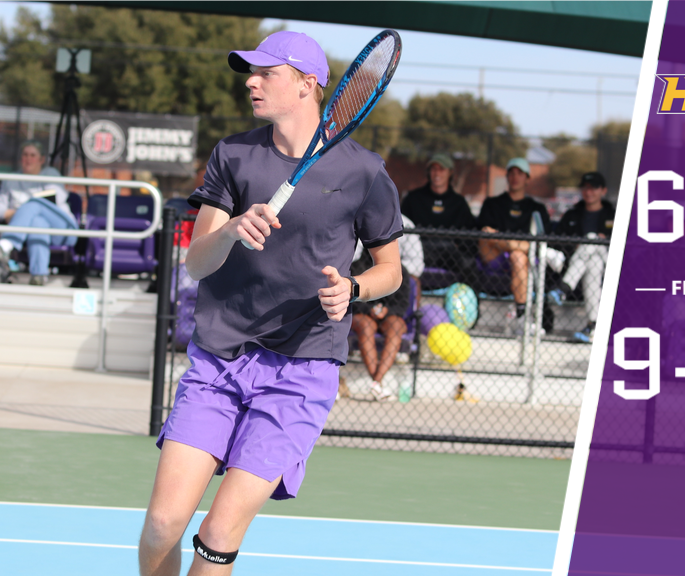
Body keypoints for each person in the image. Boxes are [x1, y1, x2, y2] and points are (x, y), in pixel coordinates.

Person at [138, 31, 403, 576]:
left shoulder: (364, 172)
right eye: (250, 73)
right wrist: (232, 229)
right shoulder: (232, 154)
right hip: (218, 360)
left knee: (217, 533)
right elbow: (197, 262)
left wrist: (353, 289)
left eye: (267, 73)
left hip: (301, 371)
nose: (252, 83)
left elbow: (390, 270)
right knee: (164, 526)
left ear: (308, 84)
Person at [0, 141, 77, 286]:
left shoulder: (50, 174)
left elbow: (56, 199)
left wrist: (22, 211)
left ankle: (5, 245)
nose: (28, 159)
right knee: (37, 223)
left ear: (41, 159)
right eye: (25, 155)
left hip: (63, 229)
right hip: (32, 230)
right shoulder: (11, 179)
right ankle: (39, 276)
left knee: (35, 204)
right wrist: (12, 214)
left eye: (33, 155)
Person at [477, 158, 552, 334]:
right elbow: (485, 233)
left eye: (520, 173)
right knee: (487, 231)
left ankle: (522, 318)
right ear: (507, 176)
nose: (515, 177)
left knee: (518, 256)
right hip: (494, 259)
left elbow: (543, 238)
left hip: (524, 262)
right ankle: (521, 247)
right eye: (511, 173)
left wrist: (510, 246)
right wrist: (516, 244)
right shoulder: (492, 203)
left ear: (527, 178)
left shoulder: (537, 208)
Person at [550, 172, 615, 343]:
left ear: (603, 190)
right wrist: (574, 245)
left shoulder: (613, 214)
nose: (589, 192)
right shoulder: (573, 214)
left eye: (593, 188)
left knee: (593, 239)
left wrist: (604, 240)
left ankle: (563, 288)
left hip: (609, 264)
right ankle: (593, 325)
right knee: (593, 263)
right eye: (585, 188)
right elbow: (557, 240)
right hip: (581, 264)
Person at [400, 153, 477, 287]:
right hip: (420, 249)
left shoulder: (459, 202)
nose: (437, 173)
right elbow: (401, 224)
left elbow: (470, 233)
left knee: (469, 264)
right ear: (429, 172)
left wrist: (459, 245)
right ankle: (403, 304)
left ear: (450, 172)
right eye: (434, 169)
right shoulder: (414, 198)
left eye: (442, 169)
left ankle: (471, 304)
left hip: (448, 252)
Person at [350, 250, 411, 401]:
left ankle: (376, 382)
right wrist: (370, 310)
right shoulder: (357, 268)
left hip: (389, 316)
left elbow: (403, 305)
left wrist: (387, 311)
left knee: (396, 326)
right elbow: (351, 298)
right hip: (364, 314)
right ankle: (377, 384)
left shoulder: (401, 271)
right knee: (365, 325)